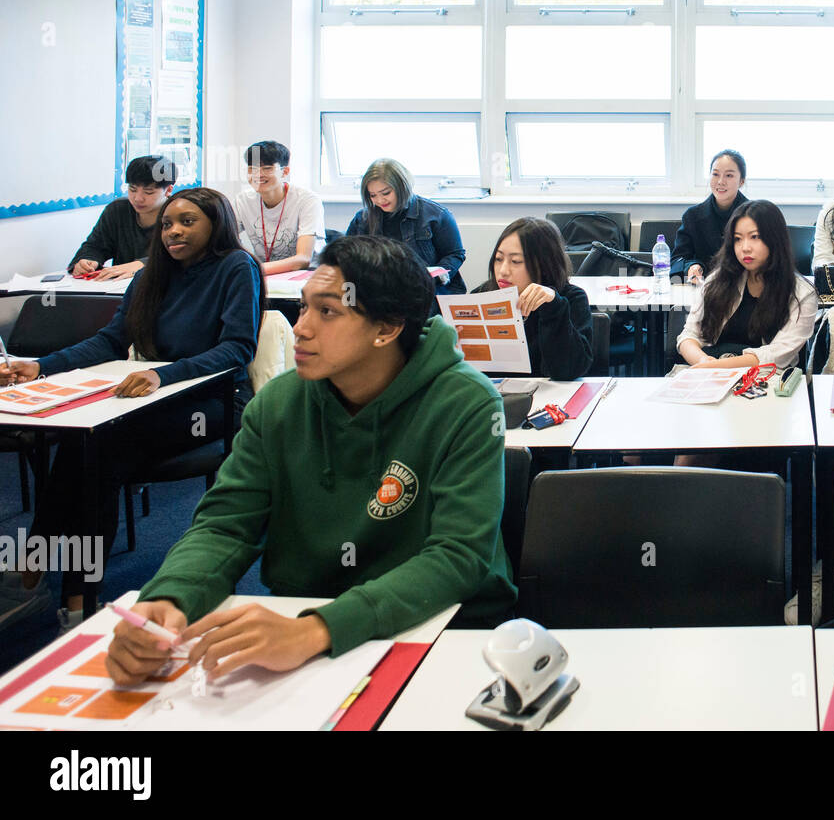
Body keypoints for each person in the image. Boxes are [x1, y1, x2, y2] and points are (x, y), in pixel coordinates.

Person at [102, 236, 516, 685]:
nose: (300, 328)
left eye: (328, 311)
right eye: (303, 308)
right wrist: (172, 596)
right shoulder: (277, 403)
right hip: (306, 617)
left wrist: (319, 629)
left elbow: (458, 556)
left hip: (442, 625)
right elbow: (225, 524)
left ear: (388, 328)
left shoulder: (466, 402)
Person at [0, 188, 265, 628]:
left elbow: (237, 349)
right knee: (83, 446)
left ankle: (60, 589)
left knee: (100, 452)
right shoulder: (153, 274)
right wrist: (41, 366)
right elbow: (109, 340)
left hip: (214, 400)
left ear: (214, 224)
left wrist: (165, 374)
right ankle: (52, 582)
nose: (173, 231)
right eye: (166, 224)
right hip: (157, 396)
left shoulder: (236, 267)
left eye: (187, 221)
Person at [677, 199, 817, 370]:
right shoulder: (717, 281)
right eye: (737, 239)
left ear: (775, 238)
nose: (745, 248)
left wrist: (717, 367)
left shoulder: (802, 293)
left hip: (765, 379)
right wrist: (703, 362)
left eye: (755, 237)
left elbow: (777, 355)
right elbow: (689, 335)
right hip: (710, 372)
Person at [475, 218, 593, 381]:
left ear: (543, 264)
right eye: (498, 259)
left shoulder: (571, 298)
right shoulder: (482, 296)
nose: (503, 271)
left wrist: (553, 308)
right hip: (491, 398)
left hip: (550, 398)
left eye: (515, 261)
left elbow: (567, 371)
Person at [345, 158, 466, 295]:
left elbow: (455, 254)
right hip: (381, 294)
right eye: (373, 195)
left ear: (402, 187)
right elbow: (346, 256)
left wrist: (434, 277)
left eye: (386, 193)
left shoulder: (436, 214)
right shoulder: (362, 219)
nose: (380, 200)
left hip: (429, 293)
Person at [66, 155, 175, 279]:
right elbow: (95, 246)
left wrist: (142, 264)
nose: (138, 198)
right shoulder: (118, 210)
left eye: (148, 192)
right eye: (132, 189)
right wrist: (88, 260)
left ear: (168, 190)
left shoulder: (180, 215)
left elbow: (184, 257)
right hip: (118, 291)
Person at [233, 140, 325, 274]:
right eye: (252, 168)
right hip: (265, 275)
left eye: (267, 168)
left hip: (307, 274)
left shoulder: (307, 200)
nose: (258, 175)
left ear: (285, 171)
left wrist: (254, 269)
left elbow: (303, 259)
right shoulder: (242, 200)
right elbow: (225, 239)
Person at [671, 149, 750, 285]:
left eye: (729, 175)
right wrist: (692, 266)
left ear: (741, 181)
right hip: (703, 289)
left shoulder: (753, 216)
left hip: (743, 287)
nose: (720, 181)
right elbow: (678, 258)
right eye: (715, 174)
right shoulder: (692, 216)